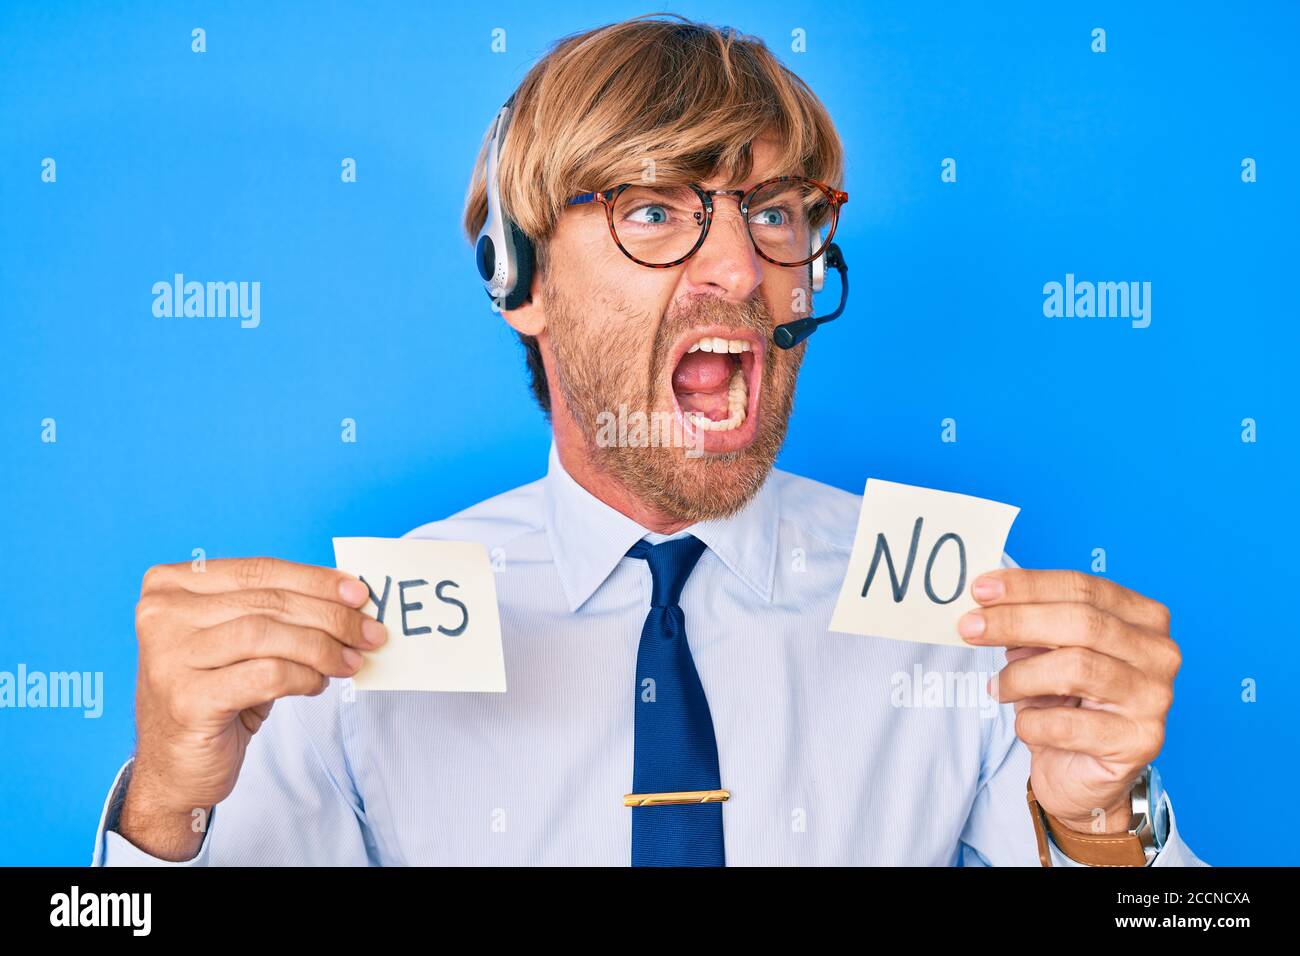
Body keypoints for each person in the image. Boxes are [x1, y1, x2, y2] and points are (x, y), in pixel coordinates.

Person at [91, 14, 1204, 866]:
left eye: (775, 212)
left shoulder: (955, 600)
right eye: (657, 209)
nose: (740, 265)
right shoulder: (359, 641)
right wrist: (162, 813)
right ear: (517, 279)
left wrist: (1104, 822)